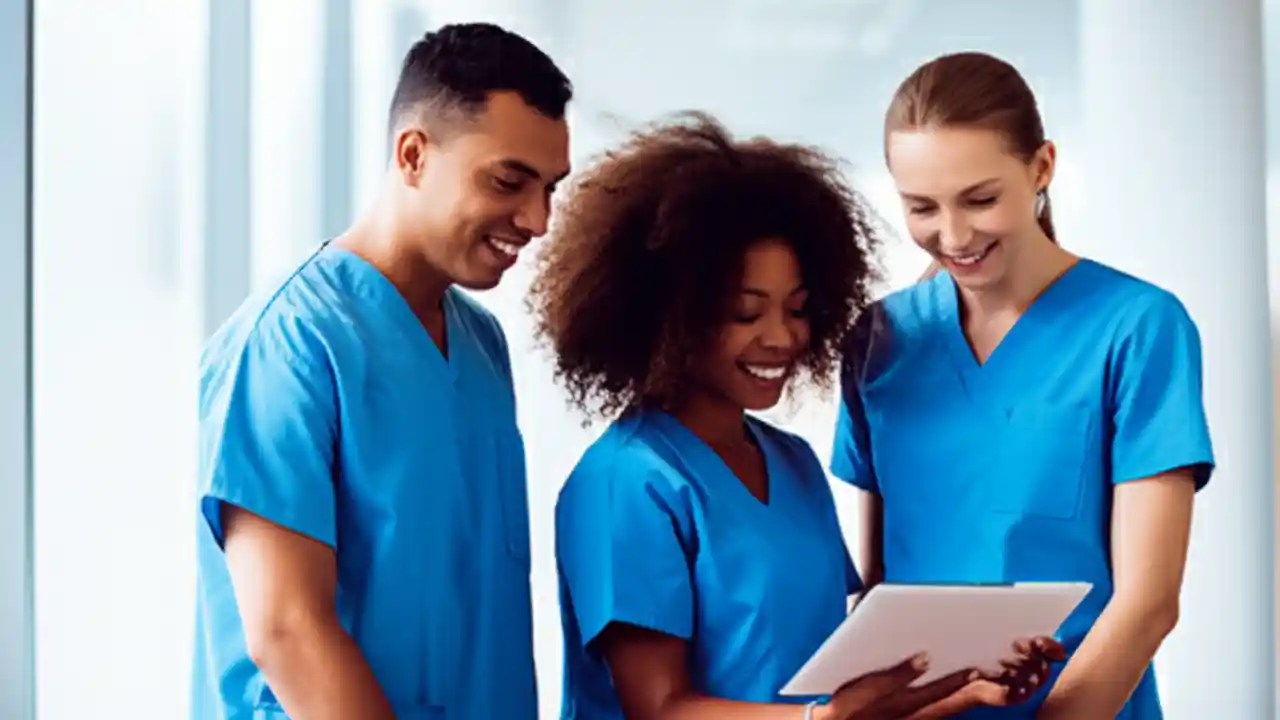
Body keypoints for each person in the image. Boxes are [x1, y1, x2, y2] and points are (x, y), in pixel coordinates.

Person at [530, 112, 1062, 720]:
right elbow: (660, 708)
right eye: (745, 313)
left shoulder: (792, 463)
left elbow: (835, 683)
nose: (781, 337)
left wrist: (969, 682)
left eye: (798, 308)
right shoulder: (625, 481)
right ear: (669, 317)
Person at [191, 22, 571, 719]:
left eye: (550, 188)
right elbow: (287, 630)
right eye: (510, 181)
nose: (538, 218)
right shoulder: (289, 341)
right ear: (414, 155)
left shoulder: (481, 345)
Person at [832, 51, 1214, 720]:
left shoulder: (1138, 328)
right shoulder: (879, 341)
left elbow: (1149, 603)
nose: (952, 235)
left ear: (1041, 168)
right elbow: (875, 591)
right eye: (921, 207)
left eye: (980, 199)